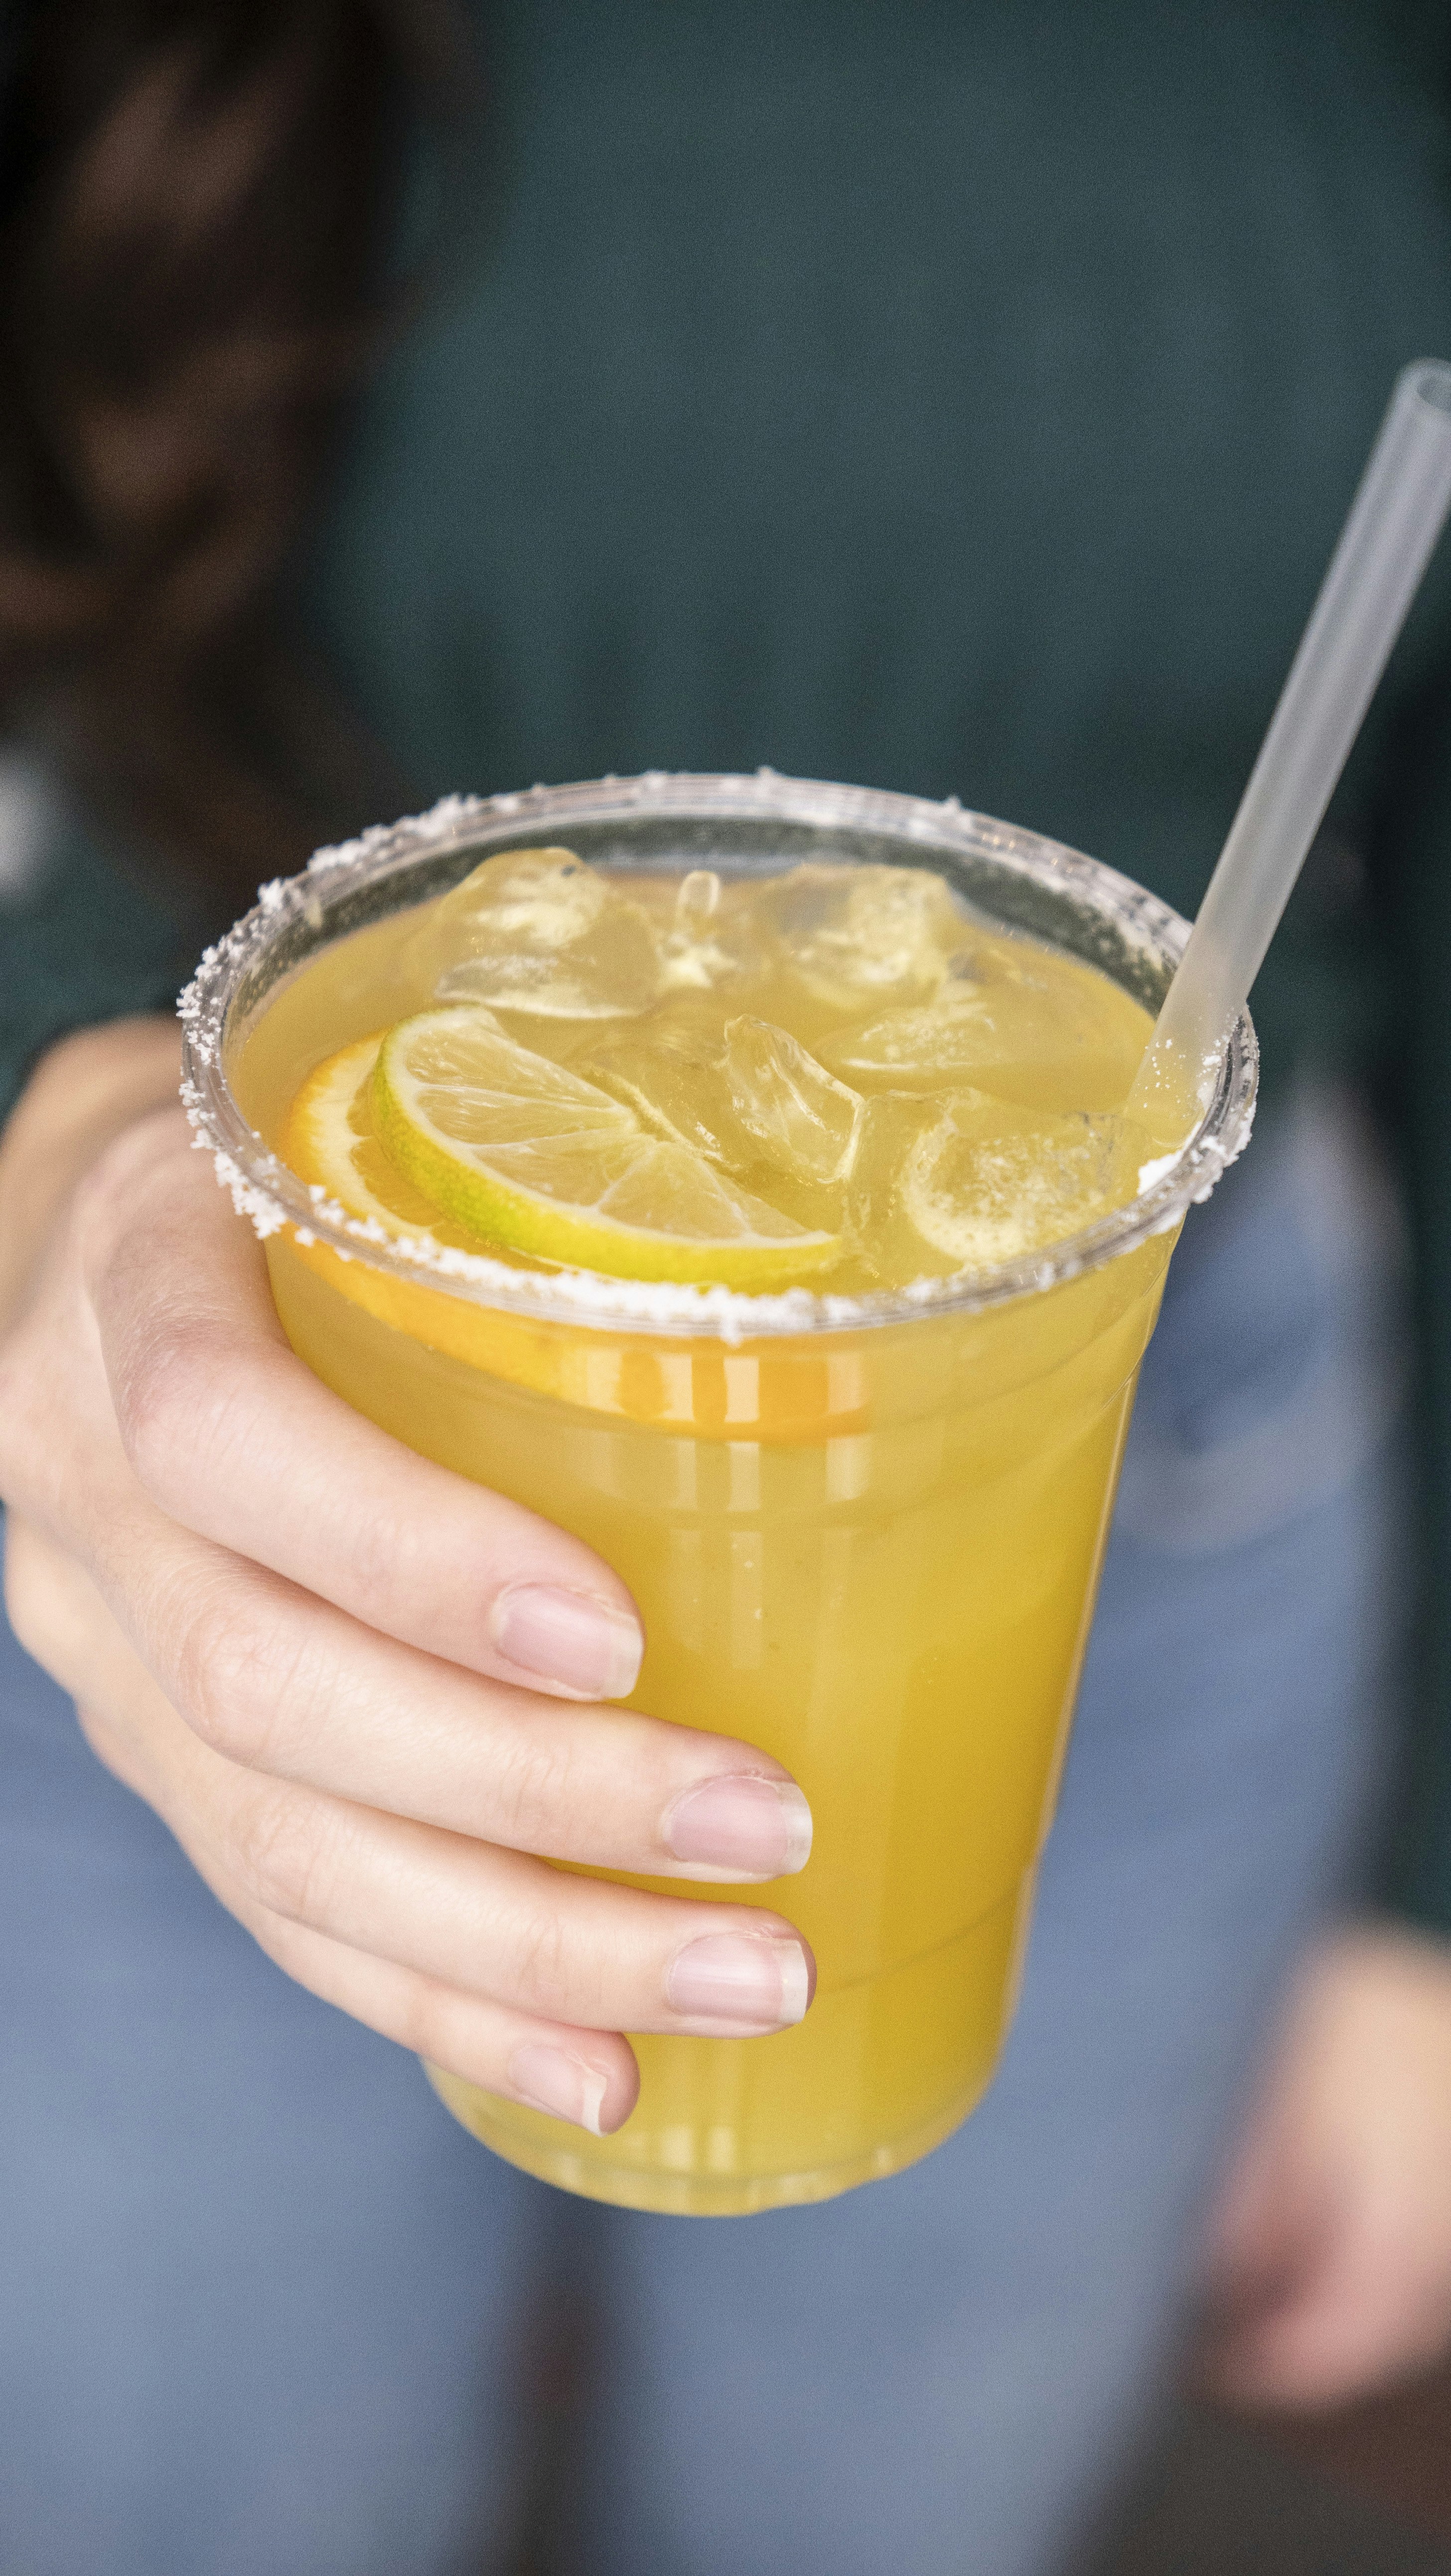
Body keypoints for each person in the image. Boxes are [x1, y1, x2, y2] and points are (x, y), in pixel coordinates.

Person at [3, 3, 1451, 2570]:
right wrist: (54, 1131)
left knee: (888, 2512)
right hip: (218, 1434)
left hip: (1188, 1453)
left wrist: (1425, 1885)